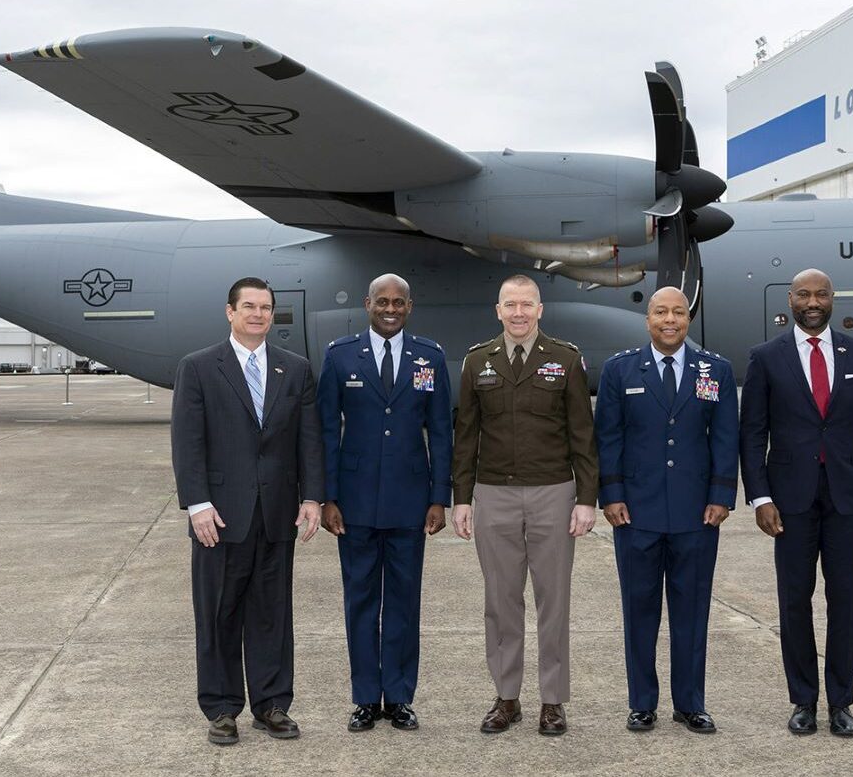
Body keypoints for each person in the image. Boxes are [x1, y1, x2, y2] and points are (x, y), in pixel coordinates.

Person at [739, 268, 853, 739]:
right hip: (789, 503)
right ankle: (803, 700)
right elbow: (753, 435)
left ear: (833, 300)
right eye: (804, 294)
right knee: (794, 601)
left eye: (821, 294)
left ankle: (842, 703)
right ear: (789, 300)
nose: (813, 301)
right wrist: (761, 497)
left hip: (850, 499)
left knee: (845, 601)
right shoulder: (766, 358)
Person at [171, 277, 324, 746]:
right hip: (219, 515)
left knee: (272, 614)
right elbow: (188, 441)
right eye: (249, 307)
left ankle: (272, 704)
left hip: (277, 513)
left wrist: (312, 497)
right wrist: (197, 504)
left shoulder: (293, 369)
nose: (258, 314)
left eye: (266, 308)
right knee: (218, 613)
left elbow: (309, 440)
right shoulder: (199, 367)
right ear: (230, 312)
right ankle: (221, 708)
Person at [451, 274, 599, 736]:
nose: (518, 313)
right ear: (498, 310)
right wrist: (461, 498)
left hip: (553, 493)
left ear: (540, 310)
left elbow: (582, 434)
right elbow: (466, 436)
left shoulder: (566, 359)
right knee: (500, 602)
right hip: (493, 494)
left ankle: (552, 701)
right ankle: (506, 697)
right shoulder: (478, 361)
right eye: (510, 304)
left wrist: (586, 499)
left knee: (553, 601)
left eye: (526, 304)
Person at [594, 286, 738, 734]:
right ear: (647, 319)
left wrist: (721, 495)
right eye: (661, 312)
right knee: (639, 612)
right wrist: (612, 494)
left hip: (698, 514)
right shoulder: (620, 370)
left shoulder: (715, 369)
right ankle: (642, 703)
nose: (669, 319)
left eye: (678, 312)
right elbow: (609, 437)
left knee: (692, 612)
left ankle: (690, 703)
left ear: (688, 318)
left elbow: (724, 438)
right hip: (635, 514)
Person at [316, 273, 453, 732]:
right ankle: (363, 699)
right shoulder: (340, 356)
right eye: (382, 302)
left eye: (398, 302)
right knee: (359, 601)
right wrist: (328, 497)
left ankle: (397, 697)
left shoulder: (429, 357)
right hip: (352, 506)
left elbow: (440, 432)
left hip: (410, 503)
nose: (390, 309)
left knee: (402, 602)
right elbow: (325, 432)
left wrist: (439, 498)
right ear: (367, 304)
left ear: (409, 306)